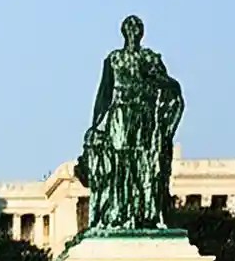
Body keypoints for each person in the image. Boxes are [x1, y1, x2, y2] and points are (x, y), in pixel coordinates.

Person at [76, 15, 183, 232]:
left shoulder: (150, 58)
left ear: (141, 32)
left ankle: (144, 213)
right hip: (121, 114)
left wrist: (160, 80)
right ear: (123, 32)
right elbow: (104, 95)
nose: (133, 31)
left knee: (143, 162)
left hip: (143, 115)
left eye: (137, 27)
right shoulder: (114, 59)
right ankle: (120, 212)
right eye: (129, 27)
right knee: (120, 162)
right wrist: (95, 125)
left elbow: (168, 85)